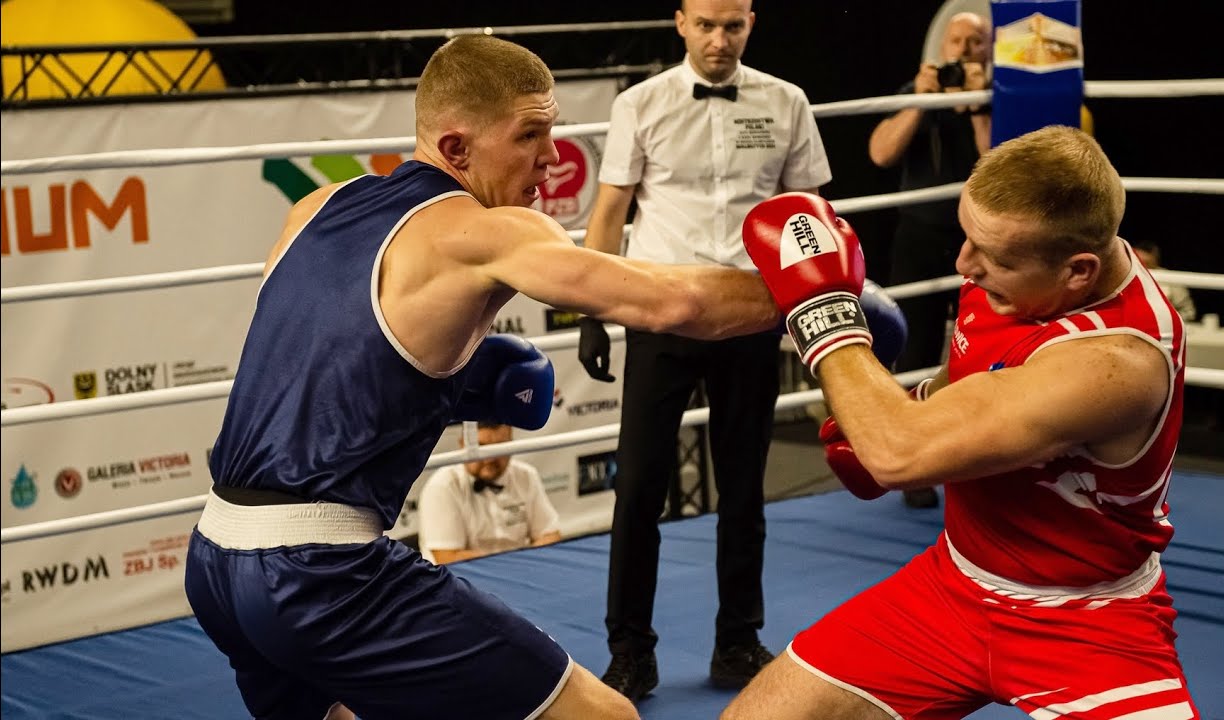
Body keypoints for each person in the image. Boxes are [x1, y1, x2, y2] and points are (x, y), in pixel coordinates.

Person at [184, 34, 784, 720]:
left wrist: (448, 386)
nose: (553, 158)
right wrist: (810, 298)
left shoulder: (315, 208)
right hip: (321, 573)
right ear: (457, 148)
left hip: (216, 563)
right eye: (530, 133)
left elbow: (323, 357)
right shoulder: (492, 233)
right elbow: (670, 302)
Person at [729, 125, 1200, 719]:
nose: (964, 264)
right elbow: (980, 374)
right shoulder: (1019, 273)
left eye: (992, 256)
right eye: (967, 237)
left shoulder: (1117, 362)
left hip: (1084, 622)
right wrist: (919, 401)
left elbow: (898, 456)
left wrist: (824, 311)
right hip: (951, 589)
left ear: (1079, 271)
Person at [574, 0, 832, 700]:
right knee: (637, 492)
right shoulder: (641, 102)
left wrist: (817, 311)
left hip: (750, 311)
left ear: (752, 22)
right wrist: (594, 311)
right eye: (707, 25)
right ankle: (630, 651)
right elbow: (610, 207)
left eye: (734, 26)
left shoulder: (787, 101)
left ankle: (738, 641)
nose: (720, 41)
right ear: (680, 22)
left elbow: (808, 215)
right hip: (659, 310)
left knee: (745, 487)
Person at [867, 10, 992, 510]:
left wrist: (978, 105)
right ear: (941, 48)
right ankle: (916, 463)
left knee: (981, 344)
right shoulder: (917, 88)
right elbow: (880, 152)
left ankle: (979, 460)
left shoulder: (995, 96)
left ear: (987, 50)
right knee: (914, 345)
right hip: (918, 235)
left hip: (978, 240)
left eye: (974, 42)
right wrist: (921, 99)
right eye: (956, 41)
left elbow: (999, 158)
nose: (963, 50)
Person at [419, 422, 562, 564]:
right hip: (462, 579)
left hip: (518, 571)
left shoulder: (526, 475)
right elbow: (448, 558)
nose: (490, 458)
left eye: (499, 447)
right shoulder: (442, 486)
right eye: (481, 446)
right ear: (463, 445)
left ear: (511, 444)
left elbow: (550, 534)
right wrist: (513, 566)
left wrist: (523, 567)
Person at [1132, 241, 1197, 321]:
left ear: (1155, 261)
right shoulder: (1124, 276)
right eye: (1138, 262)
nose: (1143, 267)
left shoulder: (1169, 279)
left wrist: (1170, 321)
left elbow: (1188, 311)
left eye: (1147, 263)